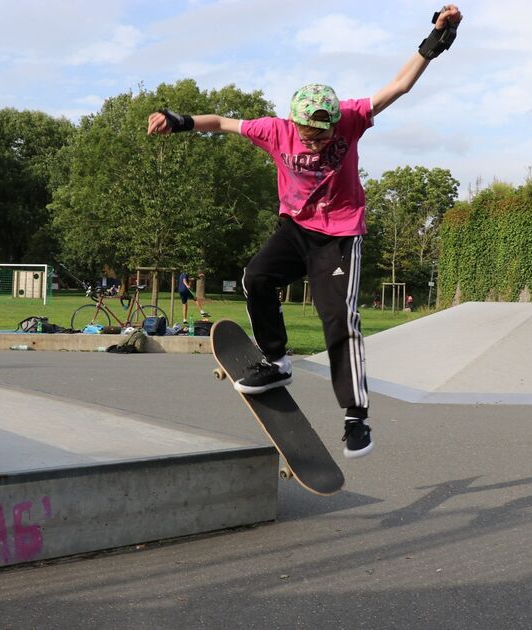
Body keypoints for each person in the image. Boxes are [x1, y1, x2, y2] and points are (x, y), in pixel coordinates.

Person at [146, 5, 462, 459]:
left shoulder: (351, 118)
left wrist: (437, 39)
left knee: (339, 319)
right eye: (308, 136)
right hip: (294, 228)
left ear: (336, 123)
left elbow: (400, 85)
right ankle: (276, 360)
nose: (314, 142)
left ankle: (356, 417)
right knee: (256, 277)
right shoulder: (274, 131)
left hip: (340, 236)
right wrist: (179, 120)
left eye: (322, 136)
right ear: (293, 124)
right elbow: (221, 121)